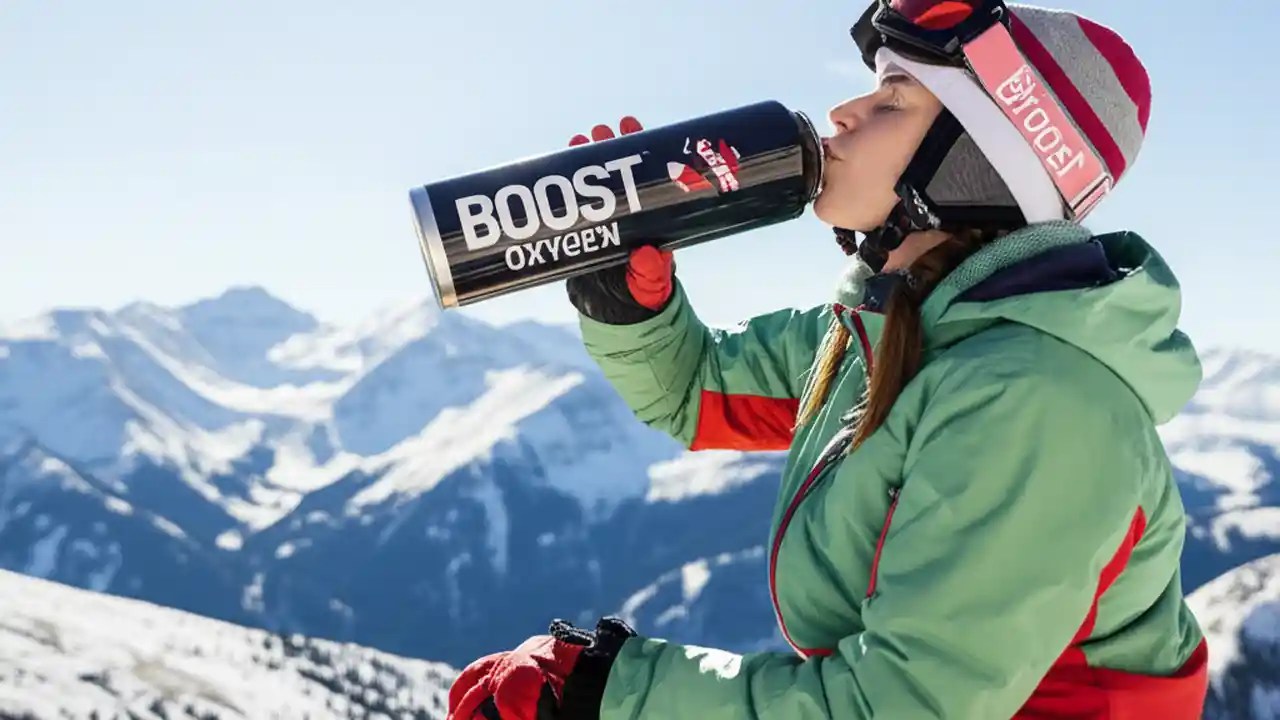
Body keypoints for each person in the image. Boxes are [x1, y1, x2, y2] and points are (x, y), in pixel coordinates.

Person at [446, 1, 1210, 718]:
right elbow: (699, 392)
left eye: (895, 100)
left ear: (976, 164)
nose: (843, 113)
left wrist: (613, 693)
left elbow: (899, 704)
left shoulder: (1034, 400)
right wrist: (625, 304)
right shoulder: (879, 333)